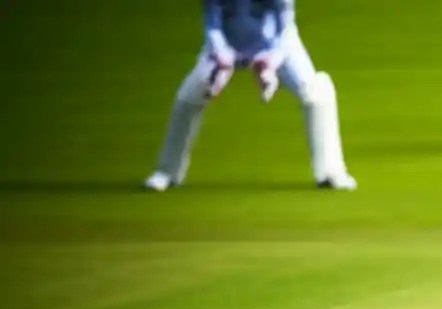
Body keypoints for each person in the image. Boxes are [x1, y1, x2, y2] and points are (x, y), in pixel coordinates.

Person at [143, 0, 356, 191]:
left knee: (315, 92)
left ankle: (330, 172)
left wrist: (270, 60)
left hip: (277, 42)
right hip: (227, 41)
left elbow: (283, 25)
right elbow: (212, 23)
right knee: (189, 96)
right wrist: (222, 54)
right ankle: (167, 172)